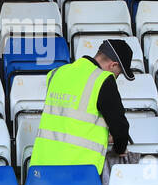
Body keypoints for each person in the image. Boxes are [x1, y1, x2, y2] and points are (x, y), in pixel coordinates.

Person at [29, 39, 136, 175]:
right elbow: (120, 128)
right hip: (79, 171)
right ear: (113, 65)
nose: (116, 77)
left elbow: (67, 120)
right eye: (118, 74)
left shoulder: (56, 73)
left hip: (41, 166)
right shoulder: (103, 79)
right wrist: (120, 148)